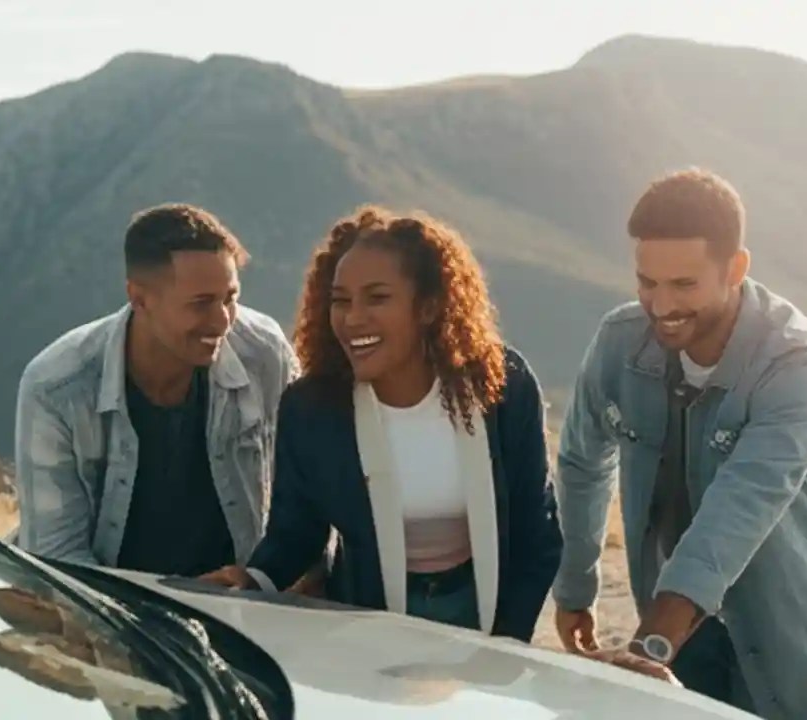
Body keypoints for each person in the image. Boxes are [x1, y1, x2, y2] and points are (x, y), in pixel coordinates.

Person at [551, 168, 807, 719]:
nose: (660, 305)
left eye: (684, 285)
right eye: (647, 282)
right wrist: (576, 587)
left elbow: (742, 504)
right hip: (682, 631)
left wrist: (650, 642)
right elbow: (582, 462)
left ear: (736, 269)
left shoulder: (796, 365)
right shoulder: (618, 343)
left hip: (799, 632)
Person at [199, 205, 564, 642]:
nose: (353, 318)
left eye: (377, 297)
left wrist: (508, 642)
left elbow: (536, 531)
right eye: (341, 300)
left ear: (428, 307)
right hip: (366, 617)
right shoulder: (312, 409)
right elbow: (296, 533)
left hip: (485, 611)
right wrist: (254, 580)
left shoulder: (502, 385)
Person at [12, 203, 298, 579]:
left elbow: (305, 491)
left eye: (230, 298)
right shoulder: (57, 387)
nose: (222, 320)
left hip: (239, 604)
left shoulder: (264, 353)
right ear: (139, 298)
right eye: (201, 304)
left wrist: (268, 581)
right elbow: (57, 561)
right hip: (111, 612)